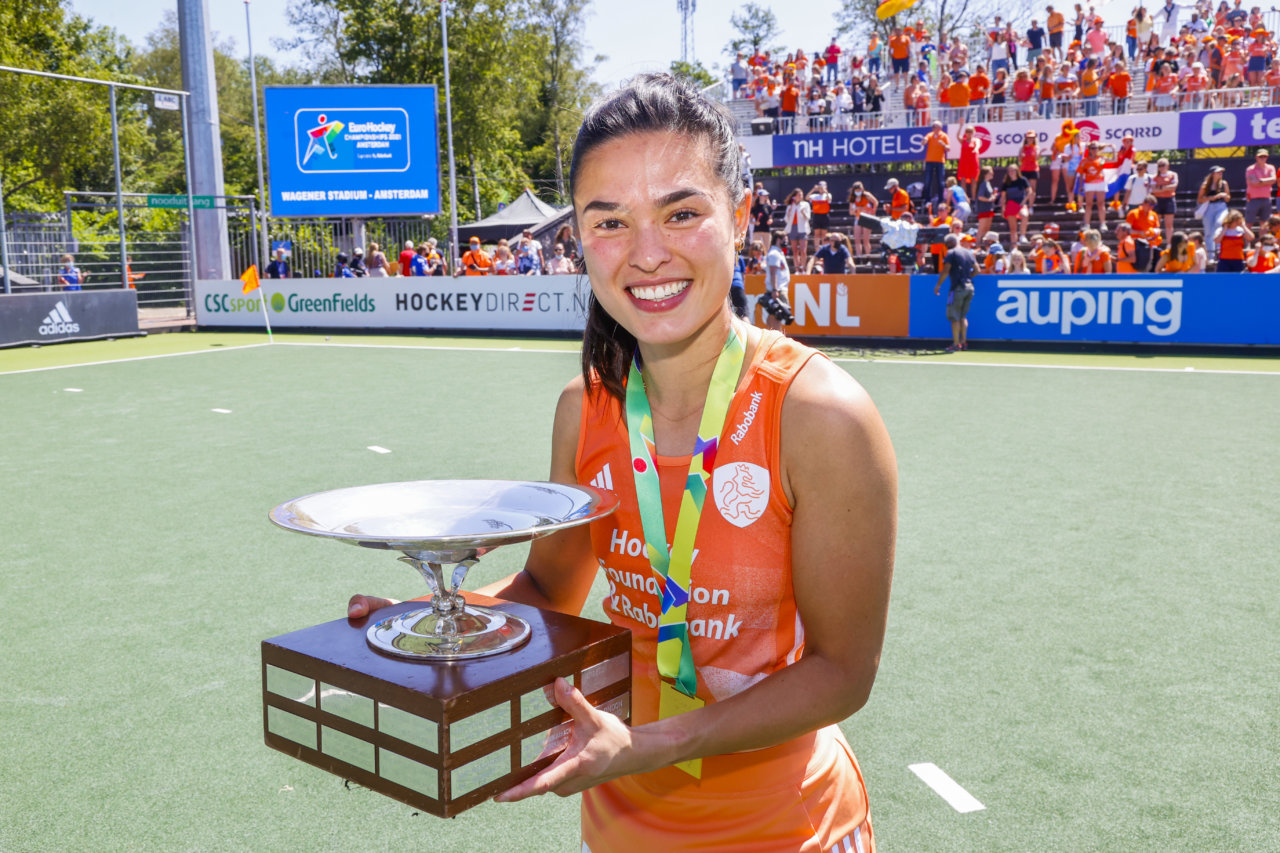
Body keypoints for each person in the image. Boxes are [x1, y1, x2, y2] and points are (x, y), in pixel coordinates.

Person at [360, 80, 890, 850]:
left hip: (788, 826)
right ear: (578, 237)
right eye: (609, 222)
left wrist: (649, 744)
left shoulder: (821, 416)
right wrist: (436, 624)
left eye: (681, 213)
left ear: (739, 219)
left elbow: (843, 671)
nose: (647, 253)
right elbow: (550, 587)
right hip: (621, 822)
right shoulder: (586, 406)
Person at [934, 233, 977, 352]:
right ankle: (963, 343)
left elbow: (946, 270)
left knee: (954, 317)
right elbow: (977, 270)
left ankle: (956, 344)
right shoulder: (969, 252)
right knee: (963, 316)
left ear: (950, 243)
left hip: (957, 288)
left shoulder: (951, 253)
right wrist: (968, 277)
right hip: (969, 287)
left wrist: (938, 285)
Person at [1197, 166, 1231, 261]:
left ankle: (1219, 250)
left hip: (1221, 206)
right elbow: (1199, 199)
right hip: (1209, 207)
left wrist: (1224, 195)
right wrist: (1211, 198)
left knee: (1219, 224)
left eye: (1221, 172)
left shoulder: (1224, 183)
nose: (1220, 174)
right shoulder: (1205, 185)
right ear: (1213, 174)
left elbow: (1228, 198)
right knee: (1208, 231)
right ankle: (1211, 255)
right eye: (1218, 172)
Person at [763, 231, 794, 332]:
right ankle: (777, 337)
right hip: (778, 289)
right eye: (785, 240)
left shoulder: (777, 253)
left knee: (773, 314)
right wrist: (775, 289)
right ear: (778, 240)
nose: (786, 243)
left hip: (778, 288)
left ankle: (772, 336)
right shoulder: (774, 254)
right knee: (778, 315)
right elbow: (773, 273)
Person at [1244, 148, 1275, 229]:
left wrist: (1260, 180)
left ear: (1267, 157)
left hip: (1266, 199)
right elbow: (1253, 182)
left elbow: (1273, 179)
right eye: (1261, 156)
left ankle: (1263, 241)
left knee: (1265, 224)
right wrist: (1267, 181)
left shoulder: (1271, 168)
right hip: (1253, 199)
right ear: (1256, 157)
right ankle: (1247, 242)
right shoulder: (1250, 169)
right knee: (1249, 223)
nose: (1263, 158)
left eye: (1264, 156)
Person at [922, 120, 949, 208]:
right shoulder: (930, 135)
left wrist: (944, 145)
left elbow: (948, 148)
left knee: (941, 182)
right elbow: (924, 141)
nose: (935, 129)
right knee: (927, 182)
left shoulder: (944, 136)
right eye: (934, 127)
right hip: (929, 161)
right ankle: (927, 200)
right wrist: (924, 140)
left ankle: (941, 201)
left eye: (937, 127)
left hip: (940, 161)